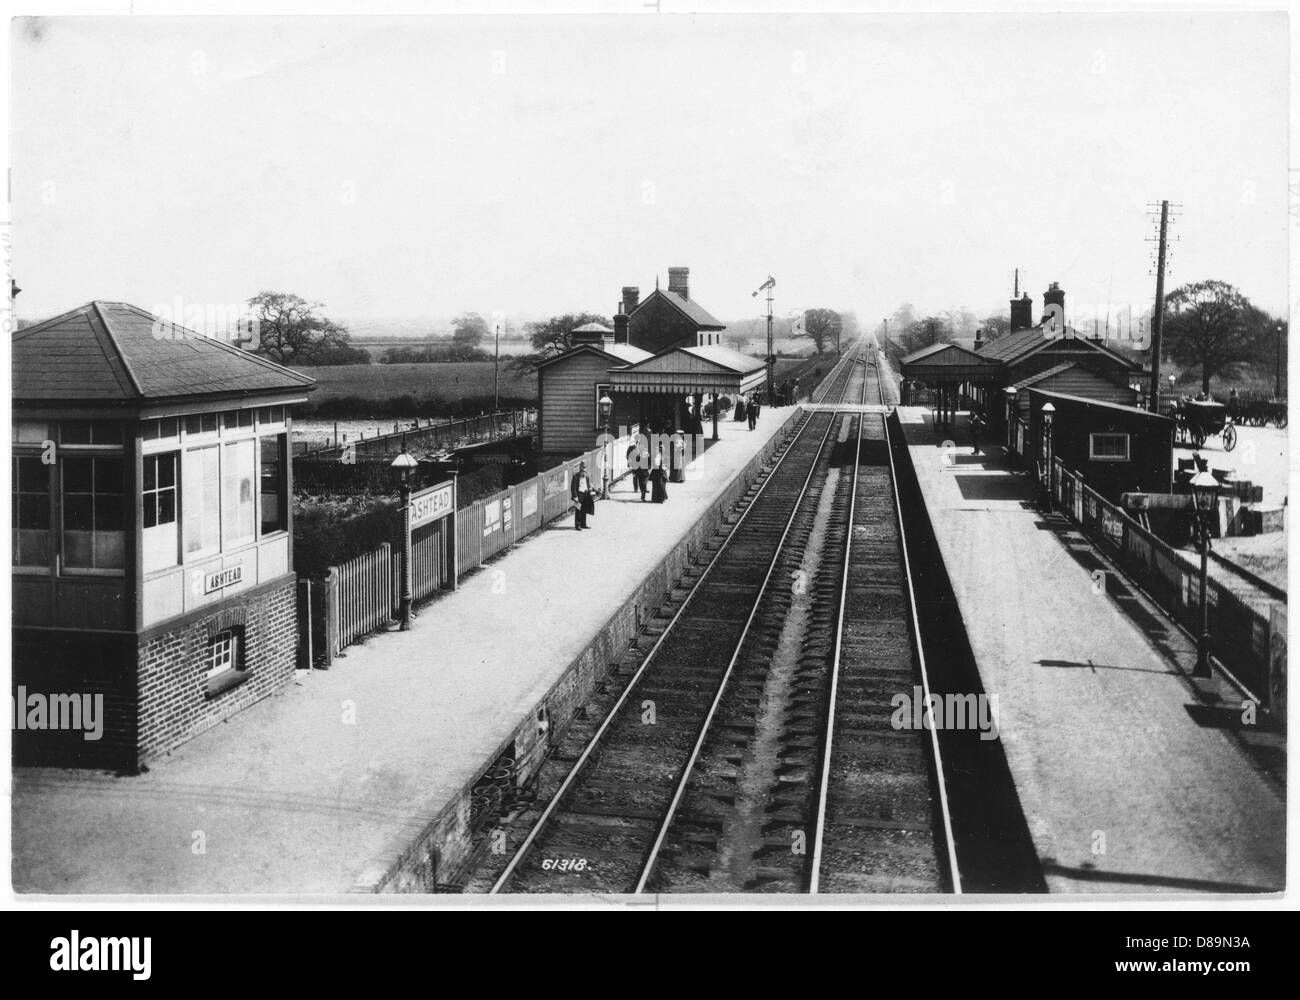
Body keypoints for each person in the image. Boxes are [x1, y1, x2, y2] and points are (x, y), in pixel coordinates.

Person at [570, 461, 594, 530]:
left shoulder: (587, 476)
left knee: (584, 509)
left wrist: (590, 489)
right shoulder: (576, 476)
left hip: (585, 494)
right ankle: (578, 525)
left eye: (585, 468)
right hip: (579, 494)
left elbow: (588, 484)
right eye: (582, 468)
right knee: (578, 510)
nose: (583, 469)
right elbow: (573, 487)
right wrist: (575, 496)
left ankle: (583, 524)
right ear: (580, 468)